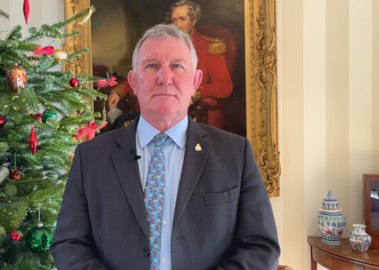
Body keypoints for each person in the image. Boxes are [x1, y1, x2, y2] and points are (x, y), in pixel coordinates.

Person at [51, 24, 279, 270]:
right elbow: (68, 243)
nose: (165, 78)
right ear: (134, 82)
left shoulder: (236, 153)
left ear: (195, 81)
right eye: (151, 66)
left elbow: (261, 245)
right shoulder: (90, 157)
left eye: (177, 66)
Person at [107, 0, 233, 130]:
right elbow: (146, 76)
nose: (177, 25)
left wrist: (196, 95)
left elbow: (224, 85)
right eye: (174, 20)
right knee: (122, 125)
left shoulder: (209, 47)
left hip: (189, 116)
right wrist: (118, 92)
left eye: (182, 19)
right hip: (153, 115)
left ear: (194, 20)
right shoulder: (161, 45)